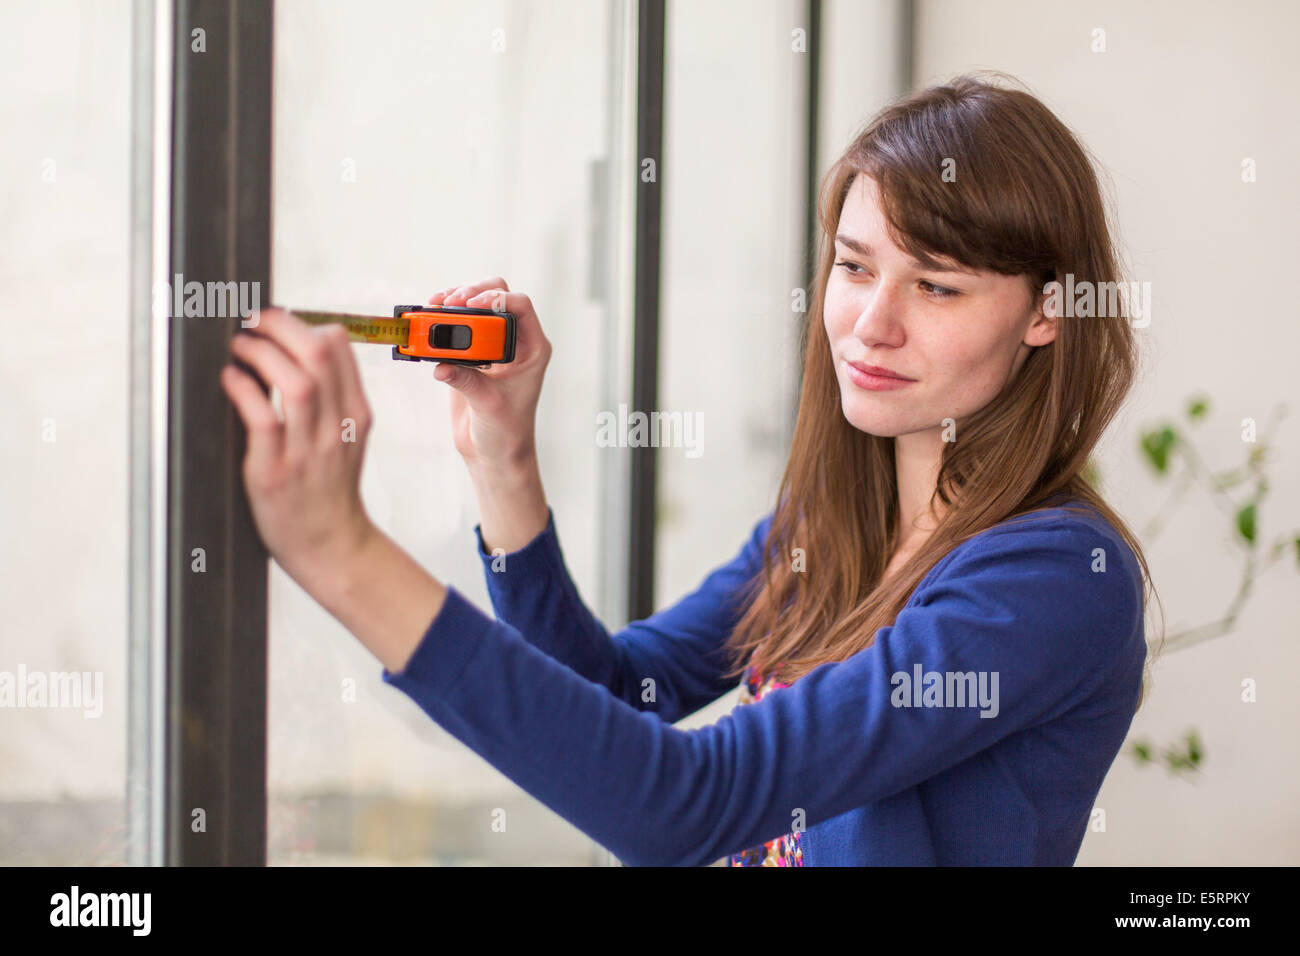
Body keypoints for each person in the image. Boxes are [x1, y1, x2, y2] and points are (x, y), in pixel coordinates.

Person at [221, 73, 1162, 866]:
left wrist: (343, 557)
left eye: (936, 286)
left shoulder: (1050, 583)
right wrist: (502, 459)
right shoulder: (830, 518)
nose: (872, 324)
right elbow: (620, 699)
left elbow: (687, 801)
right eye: (854, 266)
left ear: (1049, 312)